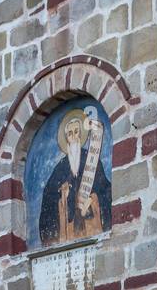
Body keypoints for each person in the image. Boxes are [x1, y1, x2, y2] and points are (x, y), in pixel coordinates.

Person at [37, 105, 111, 247]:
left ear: (81, 135)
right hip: (68, 227)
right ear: (66, 139)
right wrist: (63, 195)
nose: (73, 136)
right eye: (70, 133)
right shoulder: (61, 166)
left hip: (90, 223)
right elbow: (49, 195)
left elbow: (105, 187)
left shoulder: (90, 160)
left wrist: (93, 199)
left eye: (76, 132)